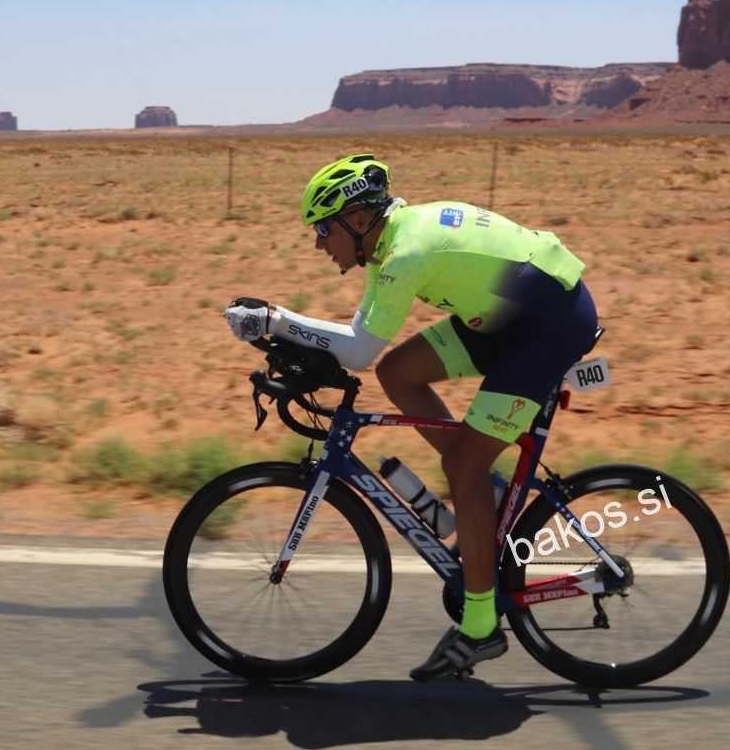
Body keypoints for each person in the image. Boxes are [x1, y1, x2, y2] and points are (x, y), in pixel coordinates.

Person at [223, 153, 599, 681]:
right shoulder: (391, 244)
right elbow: (368, 349)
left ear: (357, 220)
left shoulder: (405, 252)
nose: (317, 243)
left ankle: (480, 627)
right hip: (505, 316)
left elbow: (355, 353)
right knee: (400, 373)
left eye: (323, 229)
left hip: (546, 326)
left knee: (463, 467)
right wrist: (281, 330)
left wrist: (277, 320)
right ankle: (484, 496)